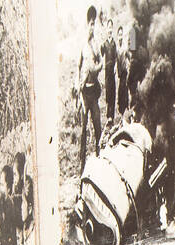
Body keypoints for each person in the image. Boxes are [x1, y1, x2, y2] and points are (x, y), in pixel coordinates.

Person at [78, 6, 103, 160]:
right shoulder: (82, 45)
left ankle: (99, 154)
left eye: (94, 24)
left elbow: (101, 62)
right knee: (83, 128)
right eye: (90, 24)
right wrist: (77, 86)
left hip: (93, 92)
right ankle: (82, 158)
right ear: (86, 24)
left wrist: (96, 69)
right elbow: (78, 66)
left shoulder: (96, 45)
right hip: (84, 92)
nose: (92, 28)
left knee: (98, 125)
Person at [0, 164, 22, 245]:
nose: (1, 188)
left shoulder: (12, 201)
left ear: (9, 185)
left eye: (2, 184)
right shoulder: (3, 200)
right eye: (0, 184)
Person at [12, 151, 34, 239]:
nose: (14, 179)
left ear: (21, 174)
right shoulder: (16, 187)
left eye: (15, 174)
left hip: (30, 221)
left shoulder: (27, 183)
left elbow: (27, 198)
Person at [101, 12, 118, 123]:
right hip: (107, 70)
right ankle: (108, 116)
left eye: (111, 27)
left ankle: (112, 115)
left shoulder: (114, 43)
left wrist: (116, 67)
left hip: (113, 70)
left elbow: (116, 57)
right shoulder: (105, 43)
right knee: (108, 92)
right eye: (108, 27)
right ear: (106, 29)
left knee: (113, 92)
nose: (110, 30)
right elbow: (101, 55)